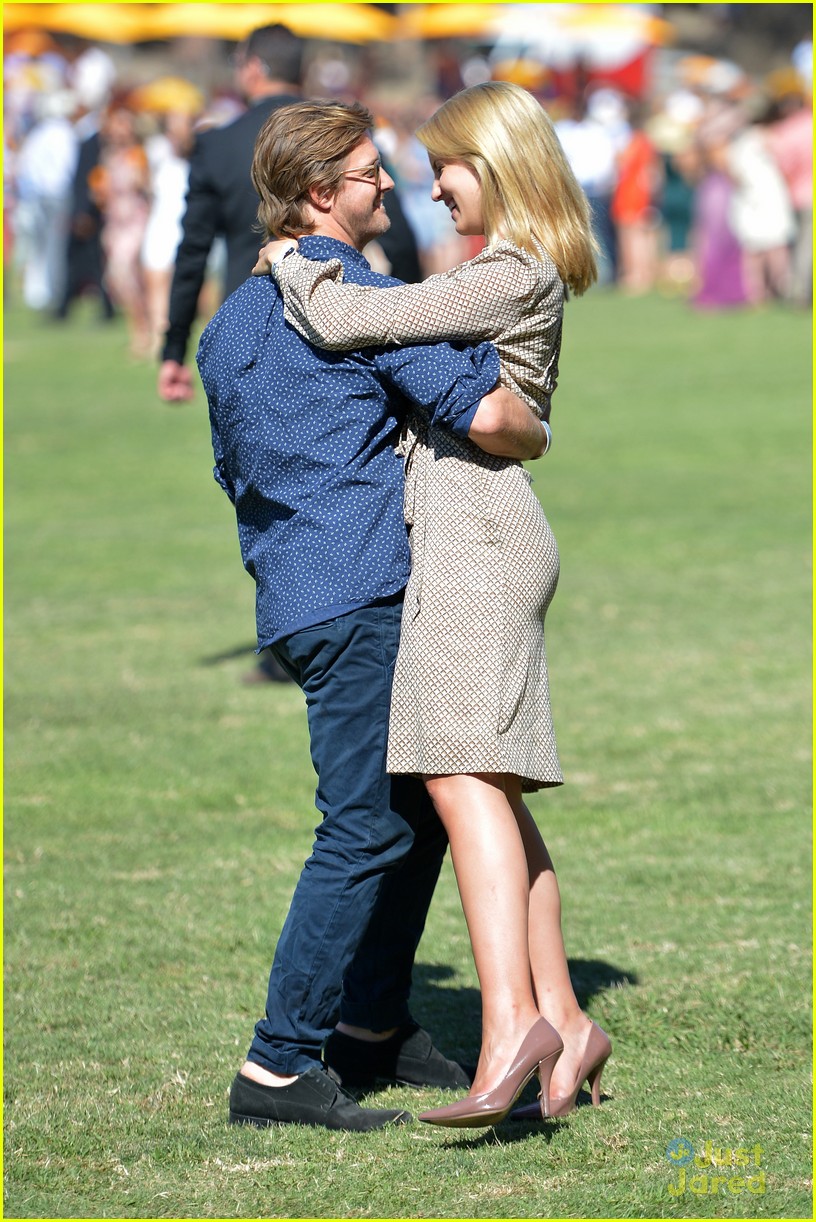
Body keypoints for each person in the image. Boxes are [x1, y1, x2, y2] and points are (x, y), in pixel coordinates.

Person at [255, 80, 612, 1128]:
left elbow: (364, 317)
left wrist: (292, 263)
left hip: (475, 535)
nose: (430, 186)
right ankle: (565, 1019)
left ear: (490, 164)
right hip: (484, 527)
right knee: (487, 788)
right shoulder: (507, 270)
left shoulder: (504, 271)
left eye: (443, 166)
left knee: (460, 783)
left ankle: (512, 1030)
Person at [196, 98, 550, 1131]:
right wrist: (534, 420)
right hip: (362, 595)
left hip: (291, 596)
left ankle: (373, 1028)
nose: (390, 183)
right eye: (367, 174)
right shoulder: (356, 300)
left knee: (412, 818)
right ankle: (277, 1067)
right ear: (320, 195)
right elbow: (488, 414)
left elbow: (231, 462)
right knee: (361, 827)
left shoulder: (231, 321)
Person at [158, 24, 305, 404]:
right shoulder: (341, 134)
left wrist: (174, 349)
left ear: (254, 67)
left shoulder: (217, 145)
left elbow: (193, 251)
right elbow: (399, 235)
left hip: (246, 323)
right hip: (335, 319)